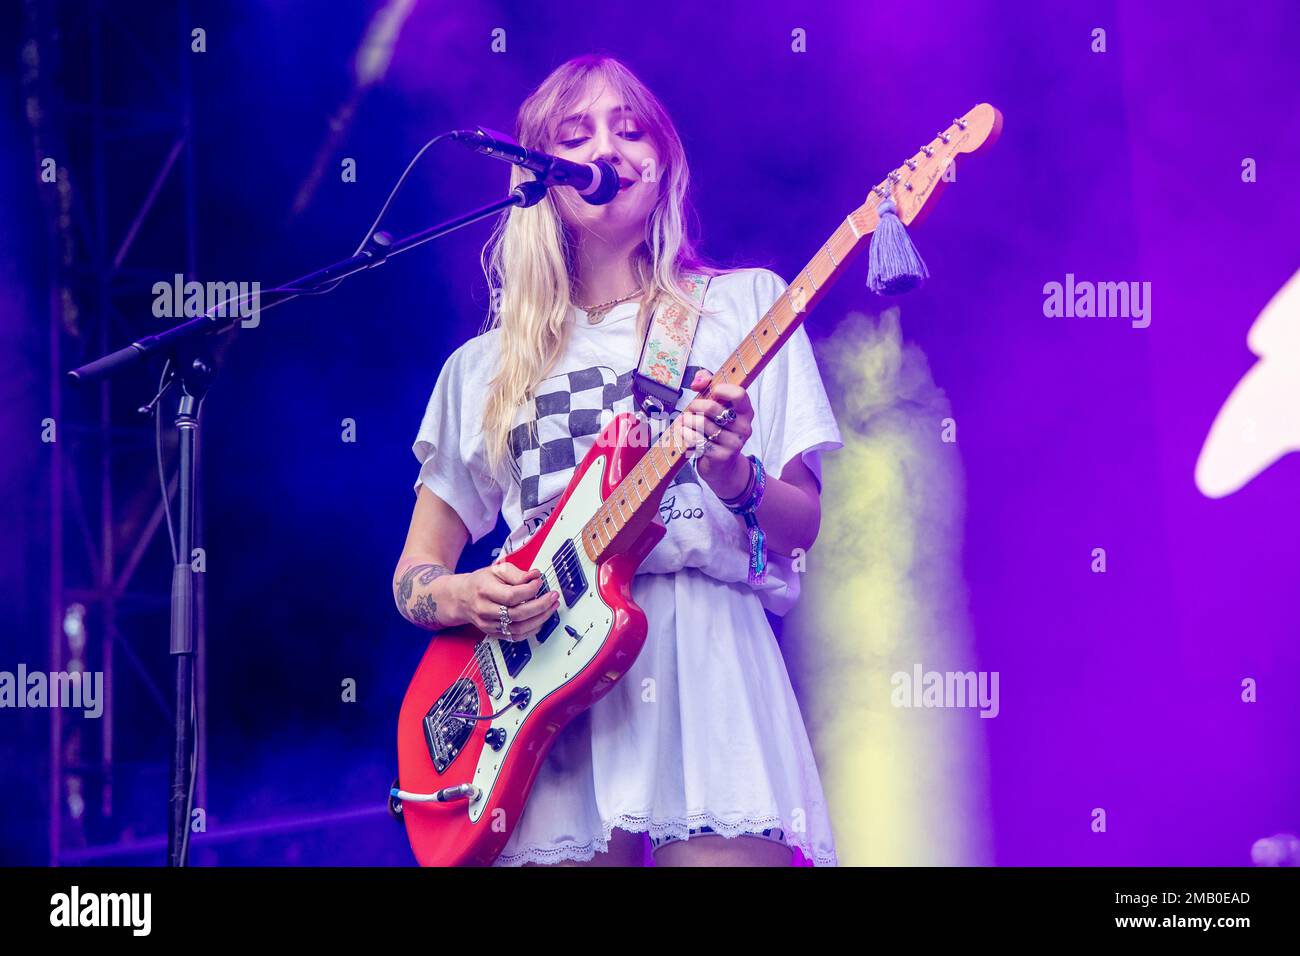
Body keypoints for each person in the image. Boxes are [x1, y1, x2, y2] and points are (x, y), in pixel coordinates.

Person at [393, 54, 842, 867]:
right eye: (577, 136)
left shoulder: (741, 306)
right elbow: (413, 576)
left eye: (630, 131)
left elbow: (804, 525)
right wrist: (466, 592)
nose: (607, 150)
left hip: (702, 664)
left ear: (663, 160)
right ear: (540, 177)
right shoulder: (482, 367)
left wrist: (733, 475)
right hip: (543, 695)